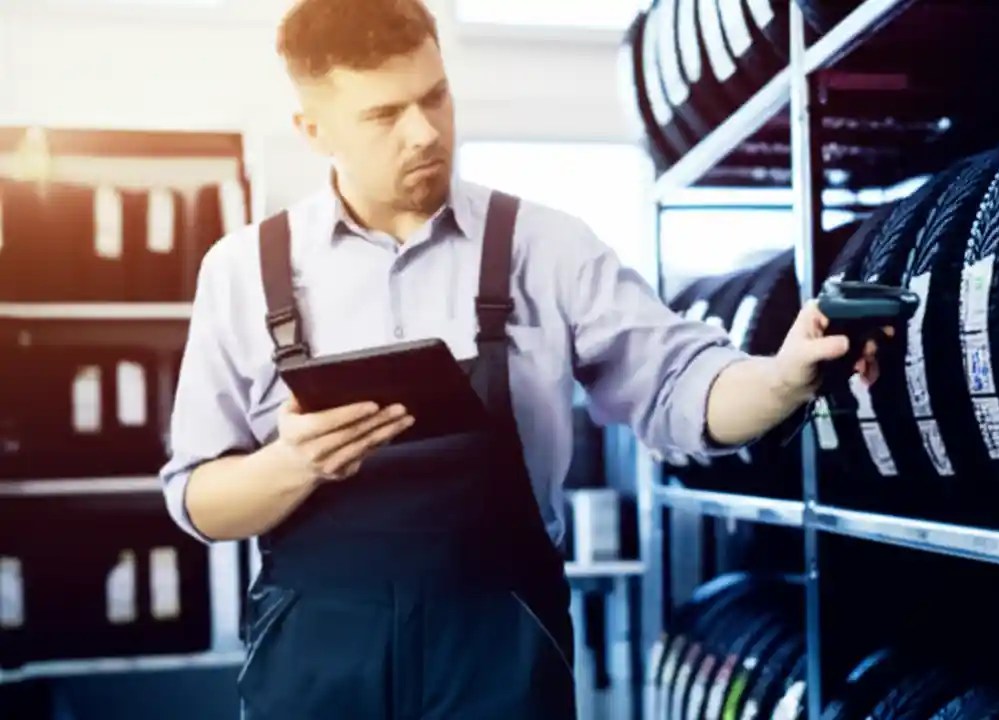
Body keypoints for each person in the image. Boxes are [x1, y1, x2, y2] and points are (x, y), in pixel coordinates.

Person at [158, 1, 883, 717]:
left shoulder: (545, 247)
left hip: (500, 662)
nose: (424, 132)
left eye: (435, 96)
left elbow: (678, 387)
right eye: (383, 115)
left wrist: (783, 378)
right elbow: (198, 499)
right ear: (314, 131)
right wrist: (294, 463)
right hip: (315, 669)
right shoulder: (244, 271)